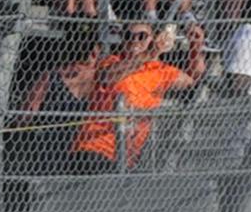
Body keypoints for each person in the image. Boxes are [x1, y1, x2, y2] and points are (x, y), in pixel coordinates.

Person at [70, 20, 207, 171]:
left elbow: (193, 78)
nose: (134, 40)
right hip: (95, 146)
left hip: (127, 154)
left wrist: (196, 45)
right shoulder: (113, 61)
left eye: (141, 36)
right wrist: (150, 54)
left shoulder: (160, 70)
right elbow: (107, 77)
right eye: (129, 36)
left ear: (152, 39)